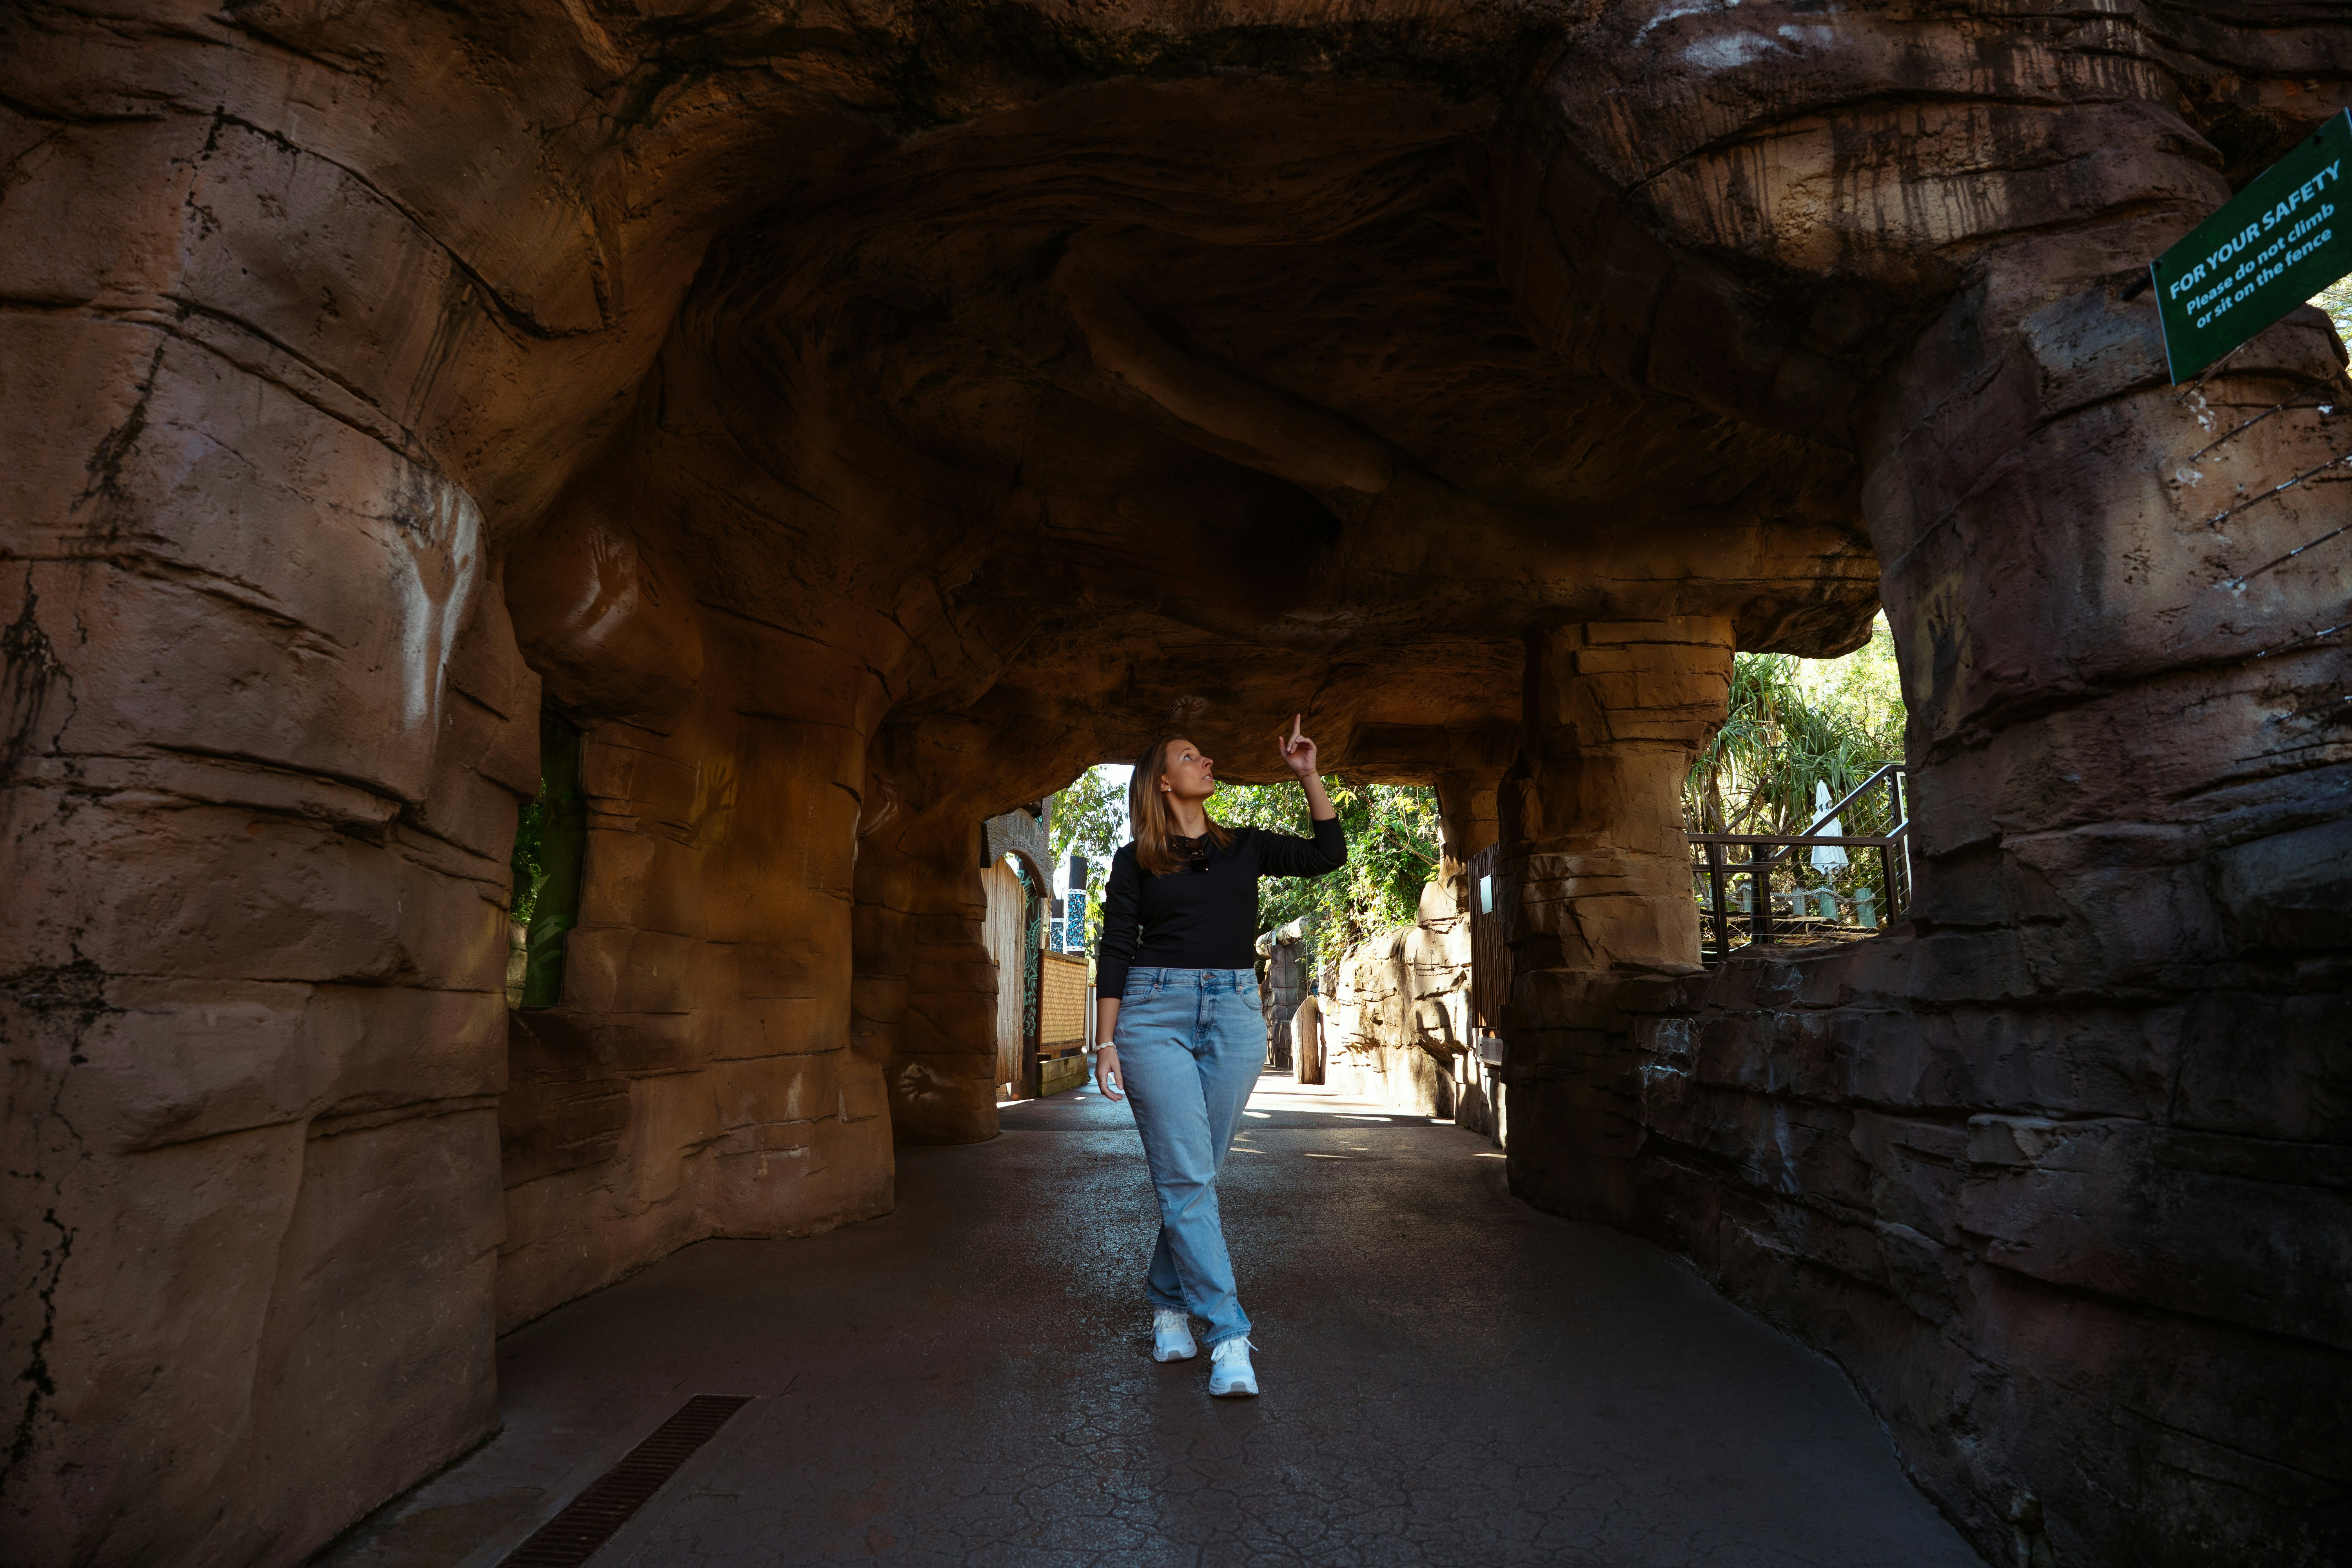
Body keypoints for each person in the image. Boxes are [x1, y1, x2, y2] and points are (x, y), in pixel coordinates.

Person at [1093, 717, 1345, 1397]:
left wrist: (1307, 775)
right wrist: (1106, 1039)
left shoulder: (1245, 848)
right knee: (1188, 1178)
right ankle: (1228, 1336)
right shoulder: (1135, 859)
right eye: (1189, 756)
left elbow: (1329, 855)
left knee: (1196, 1173)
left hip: (1234, 1012)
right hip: (1153, 1012)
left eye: (1203, 753)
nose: (1207, 760)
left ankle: (1168, 1301)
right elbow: (1116, 947)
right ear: (1163, 780)